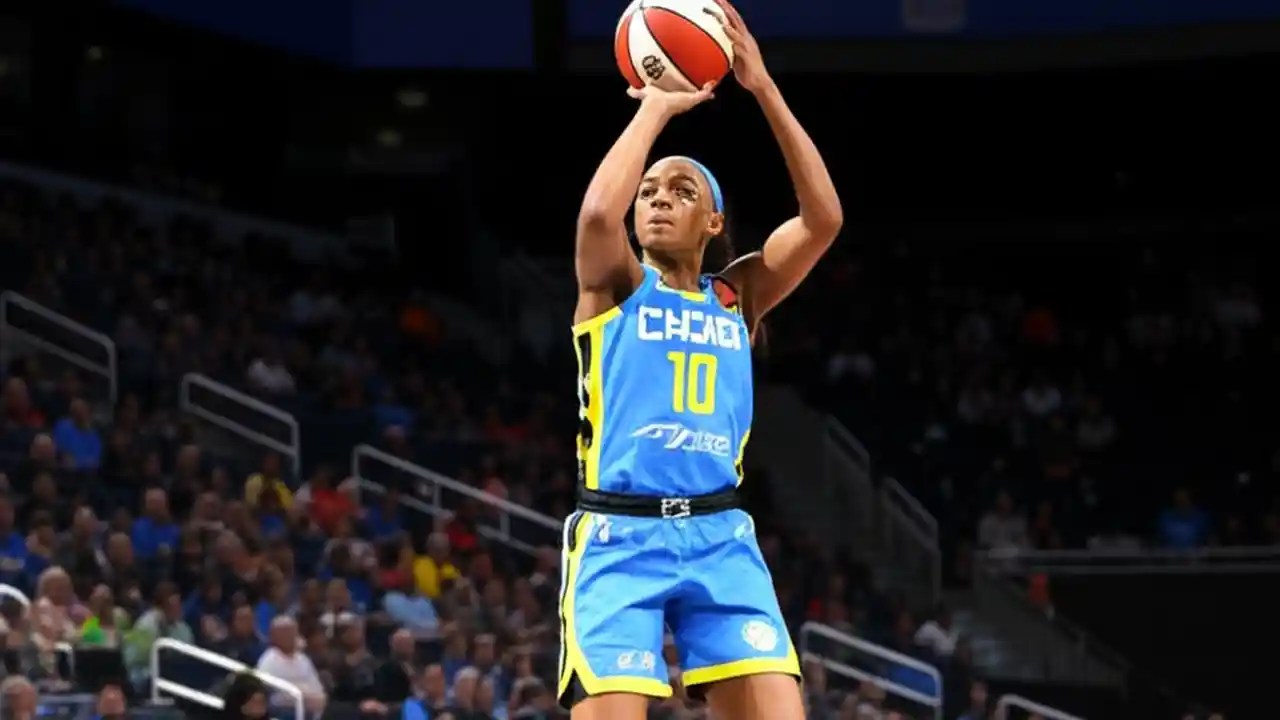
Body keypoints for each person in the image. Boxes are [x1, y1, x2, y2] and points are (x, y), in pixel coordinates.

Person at [559, 0, 842, 718]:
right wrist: (655, 108)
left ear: (714, 222)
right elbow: (598, 216)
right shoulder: (616, 284)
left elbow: (823, 220)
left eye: (680, 191)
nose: (657, 200)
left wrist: (763, 87)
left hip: (720, 535)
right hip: (621, 535)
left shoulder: (736, 294)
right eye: (649, 191)